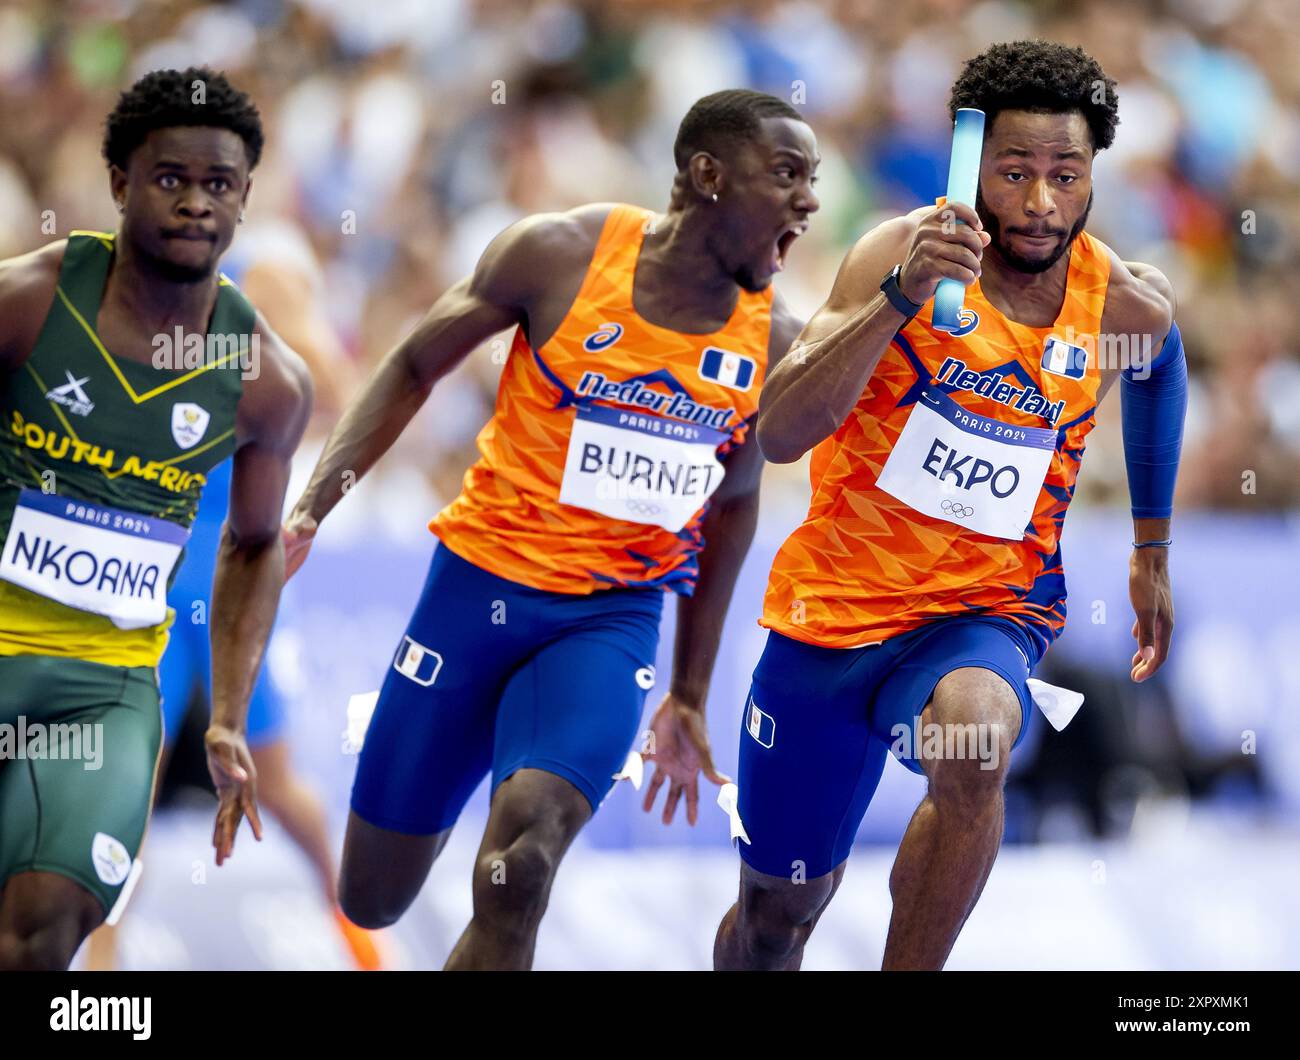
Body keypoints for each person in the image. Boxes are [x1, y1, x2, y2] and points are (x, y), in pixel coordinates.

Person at [282, 89, 818, 969]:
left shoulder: (773, 342)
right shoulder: (561, 255)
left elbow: (733, 505)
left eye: (815, 182)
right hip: (476, 589)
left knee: (520, 862)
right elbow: (415, 363)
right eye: (788, 174)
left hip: (610, 622)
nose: (809, 202)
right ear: (707, 175)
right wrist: (313, 507)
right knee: (371, 896)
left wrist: (687, 691)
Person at [712, 40, 1187, 971]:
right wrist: (899, 300)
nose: (1041, 203)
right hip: (832, 621)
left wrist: (1151, 545)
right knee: (774, 923)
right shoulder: (897, 252)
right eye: (1014, 174)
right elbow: (781, 432)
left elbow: (1161, 372)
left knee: (976, 743)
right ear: (974, 165)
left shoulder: (1118, 302)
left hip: (981, 617)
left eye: (1066, 174)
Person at [0, 66, 311, 969]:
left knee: (44, 932)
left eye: (219, 185)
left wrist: (228, 717)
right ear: (119, 184)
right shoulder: (27, 303)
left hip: (104, 692)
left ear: (245, 198)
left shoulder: (265, 378)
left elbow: (255, 544)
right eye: (170, 178)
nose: (194, 203)